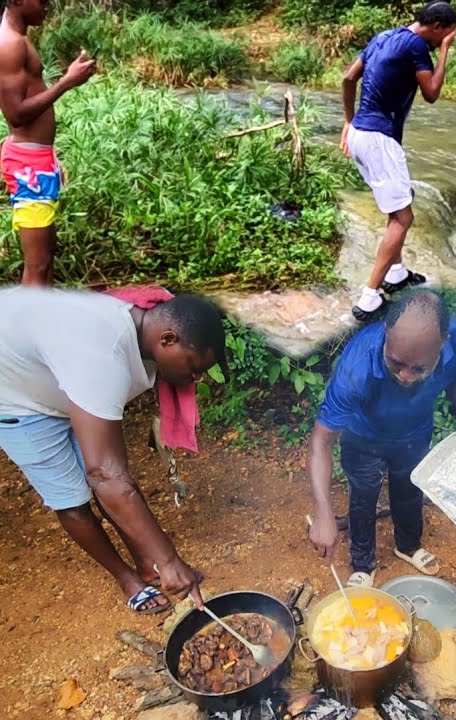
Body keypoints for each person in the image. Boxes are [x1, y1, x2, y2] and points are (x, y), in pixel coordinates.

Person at [0, 286, 219, 613]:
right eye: (193, 365)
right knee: (74, 498)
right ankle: (127, 578)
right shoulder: (101, 355)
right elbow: (105, 475)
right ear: (168, 339)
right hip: (16, 400)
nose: (197, 377)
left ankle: (148, 565)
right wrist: (170, 560)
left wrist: (161, 559)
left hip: (52, 379)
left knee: (111, 481)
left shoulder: (129, 327)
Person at [306, 289, 456, 586]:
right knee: (364, 496)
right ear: (387, 334)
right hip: (363, 438)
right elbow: (321, 441)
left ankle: (407, 545)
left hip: (414, 434)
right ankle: (362, 562)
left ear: (442, 344)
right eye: (396, 363)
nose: (406, 376)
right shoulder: (357, 366)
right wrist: (323, 512)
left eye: (419, 368)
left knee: (410, 490)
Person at [340, 2, 456, 321]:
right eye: (447, 34)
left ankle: (395, 272)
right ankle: (369, 297)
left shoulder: (382, 37)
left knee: (398, 203)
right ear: (438, 26)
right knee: (403, 218)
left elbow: (349, 78)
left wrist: (349, 122)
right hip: (380, 139)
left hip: (361, 135)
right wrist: (444, 52)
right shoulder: (419, 46)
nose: (445, 40)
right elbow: (432, 92)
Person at [0, 0, 96, 285]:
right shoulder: (9, 44)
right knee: (37, 264)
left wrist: (49, 158)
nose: (48, 5)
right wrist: (66, 82)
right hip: (28, 164)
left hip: (37, 159)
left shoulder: (18, 39)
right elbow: (16, 115)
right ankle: (27, 329)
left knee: (46, 255)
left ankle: (44, 321)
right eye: (41, 0)